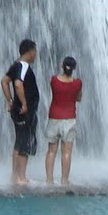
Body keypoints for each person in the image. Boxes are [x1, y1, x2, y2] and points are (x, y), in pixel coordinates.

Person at [0, 39, 39, 186]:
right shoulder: (23, 66)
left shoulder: (15, 65)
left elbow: (4, 81)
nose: (36, 55)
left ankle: (14, 176)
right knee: (25, 142)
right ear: (29, 52)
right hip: (24, 111)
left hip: (17, 110)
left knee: (19, 141)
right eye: (35, 52)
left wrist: (10, 101)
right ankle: (20, 177)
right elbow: (17, 83)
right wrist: (23, 103)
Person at [45, 55, 82, 186]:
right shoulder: (77, 83)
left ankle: (49, 180)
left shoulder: (54, 80)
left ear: (62, 66)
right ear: (74, 68)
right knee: (66, 152)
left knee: (51, 151)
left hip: (54, 118)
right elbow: (79, 98)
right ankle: (64, 181)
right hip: (69, 119)